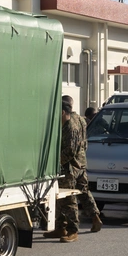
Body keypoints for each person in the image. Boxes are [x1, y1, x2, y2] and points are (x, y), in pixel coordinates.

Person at [44, 99, 81, 242]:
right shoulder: (62, 126)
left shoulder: (71, 127)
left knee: (70, 201)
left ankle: (73, 230)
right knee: (59, 200)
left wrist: (56, 162)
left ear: (63, 112)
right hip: (61, 169)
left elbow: (71, 151)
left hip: (69, 168)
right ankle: (61, 227)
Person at [64, 95, 102, 233]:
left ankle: (69, 227)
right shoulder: (81, 120)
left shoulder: (69, 123)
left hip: (71, 165)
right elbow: (84, 142)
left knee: (68, 196)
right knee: (84, 192)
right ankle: (95, 217)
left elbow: (70, 147)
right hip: (81, 162)